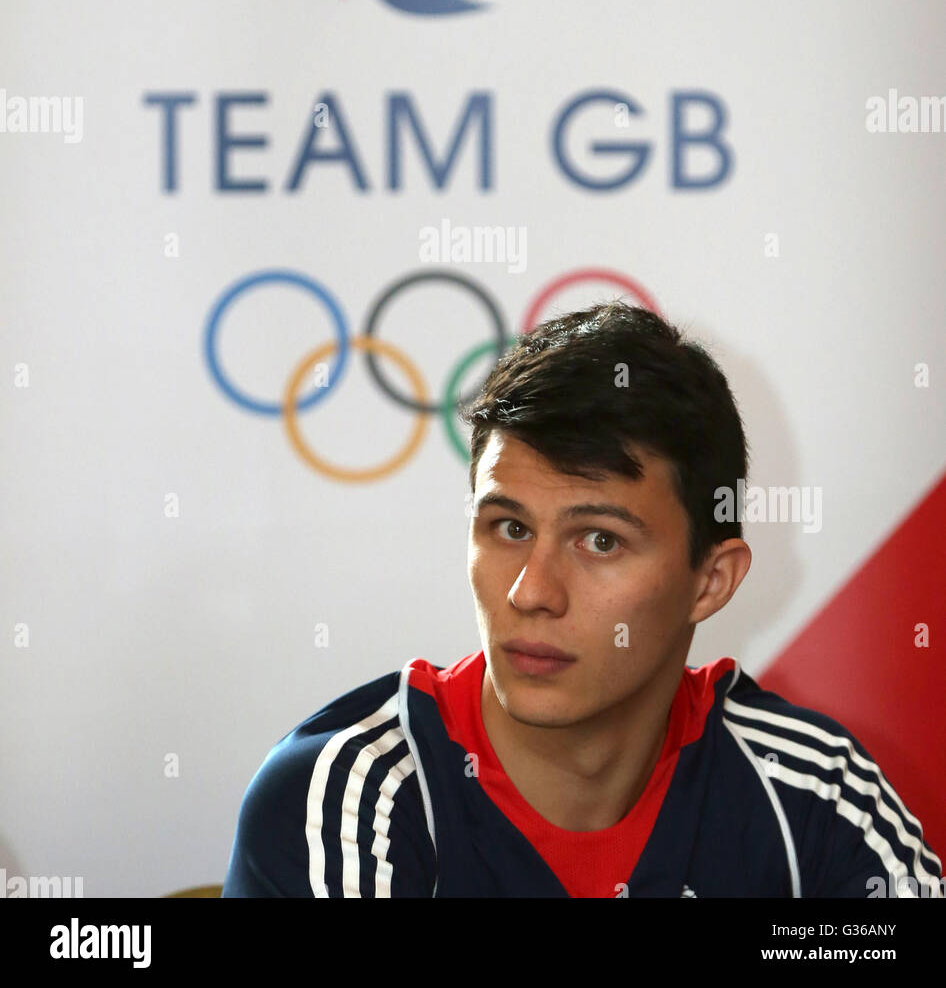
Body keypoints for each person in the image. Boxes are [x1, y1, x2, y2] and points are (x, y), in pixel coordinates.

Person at [221, 302, 942, 898]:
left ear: (710, 580)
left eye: (599, 541)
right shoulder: (347, 803)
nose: (529, 591)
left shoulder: (814, 792)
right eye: (508, 528)